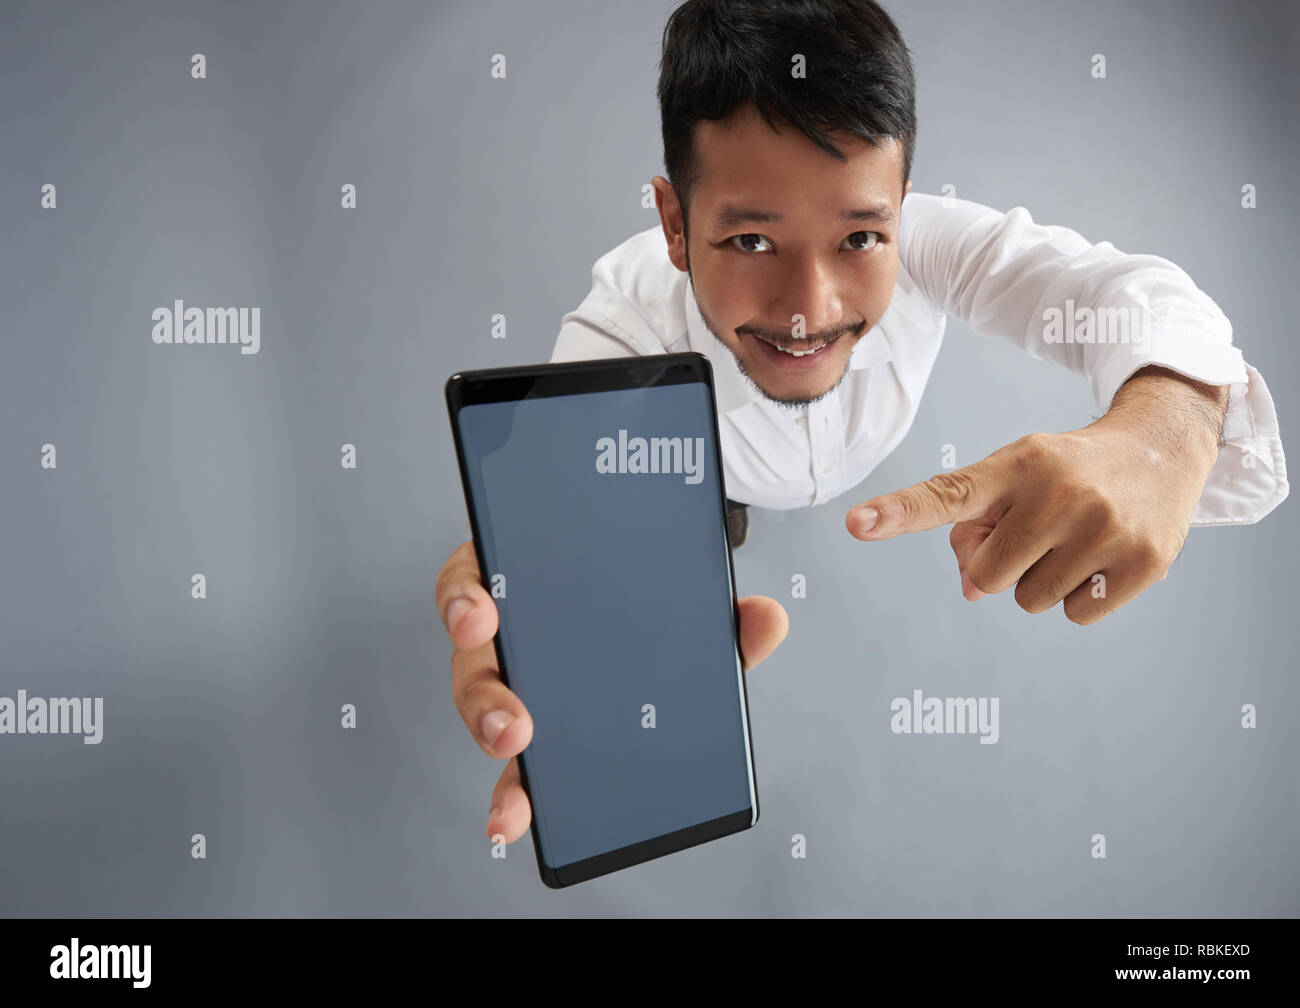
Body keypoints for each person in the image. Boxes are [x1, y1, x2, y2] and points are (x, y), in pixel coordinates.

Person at [437, 0, 1288, 847]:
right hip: (713, 475)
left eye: (859, 238)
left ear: (902, 209)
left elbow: (1123, 293)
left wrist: (1166, 425)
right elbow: (559, 487)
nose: (808, 311)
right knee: (673, 512)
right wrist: (534, 564)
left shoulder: (922, 238)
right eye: (752, 243)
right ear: (673, 224)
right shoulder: (620, 326)